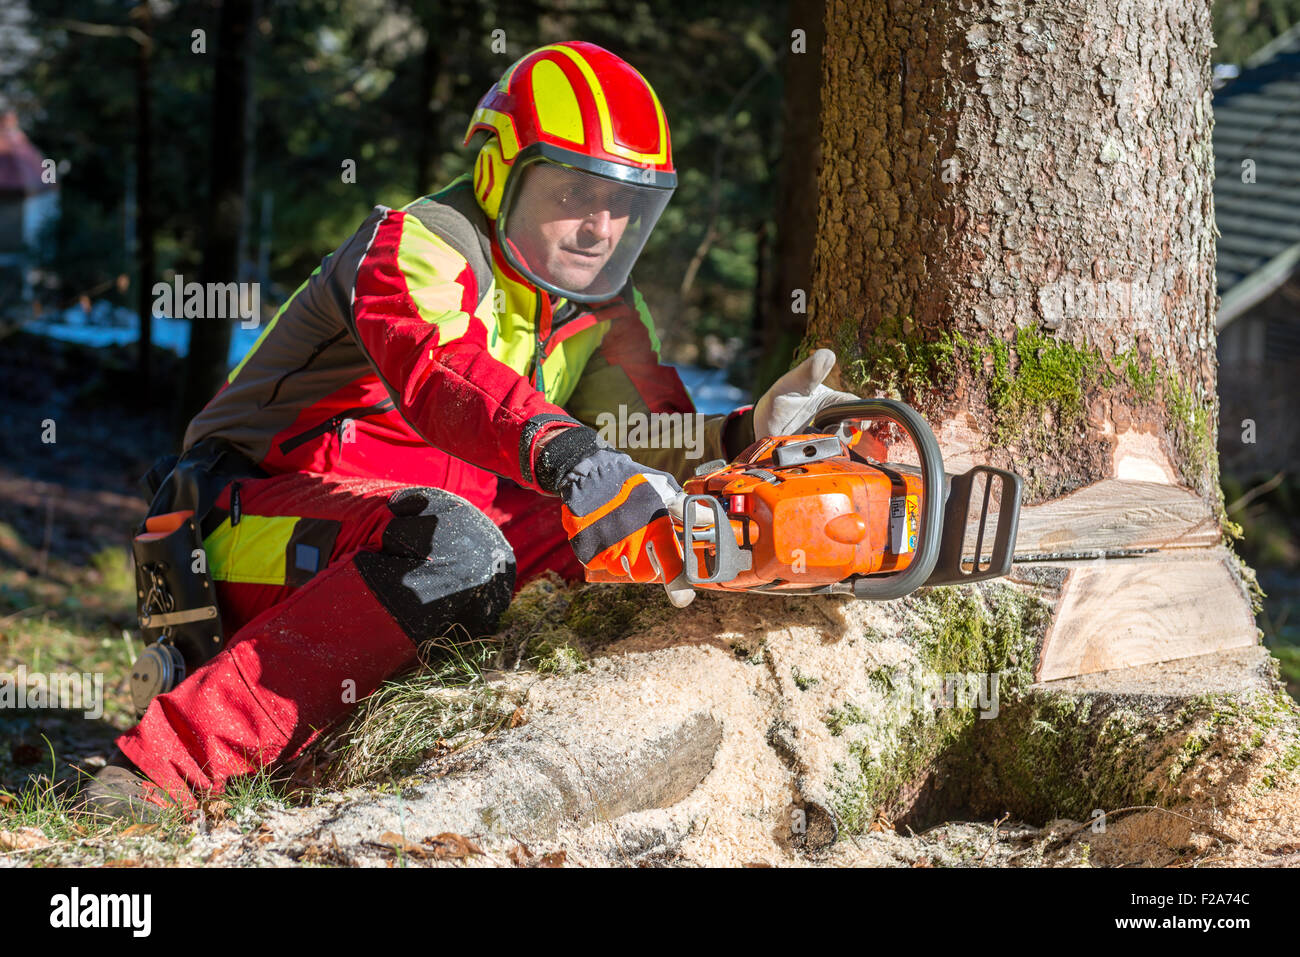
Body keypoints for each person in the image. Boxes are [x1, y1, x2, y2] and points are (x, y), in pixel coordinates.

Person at [79, 40, 857, 820]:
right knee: (452, 544)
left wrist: (744, 435)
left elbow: (641, 439)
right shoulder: (413, 247)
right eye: (574, 194)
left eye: (623, 203)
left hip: (422, 529)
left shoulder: (603, 309)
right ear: (498, 175)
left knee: (648, 530)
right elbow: (439, 371)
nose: (600, 227)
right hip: (236, 522)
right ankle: (158, 771)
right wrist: (569, 452)